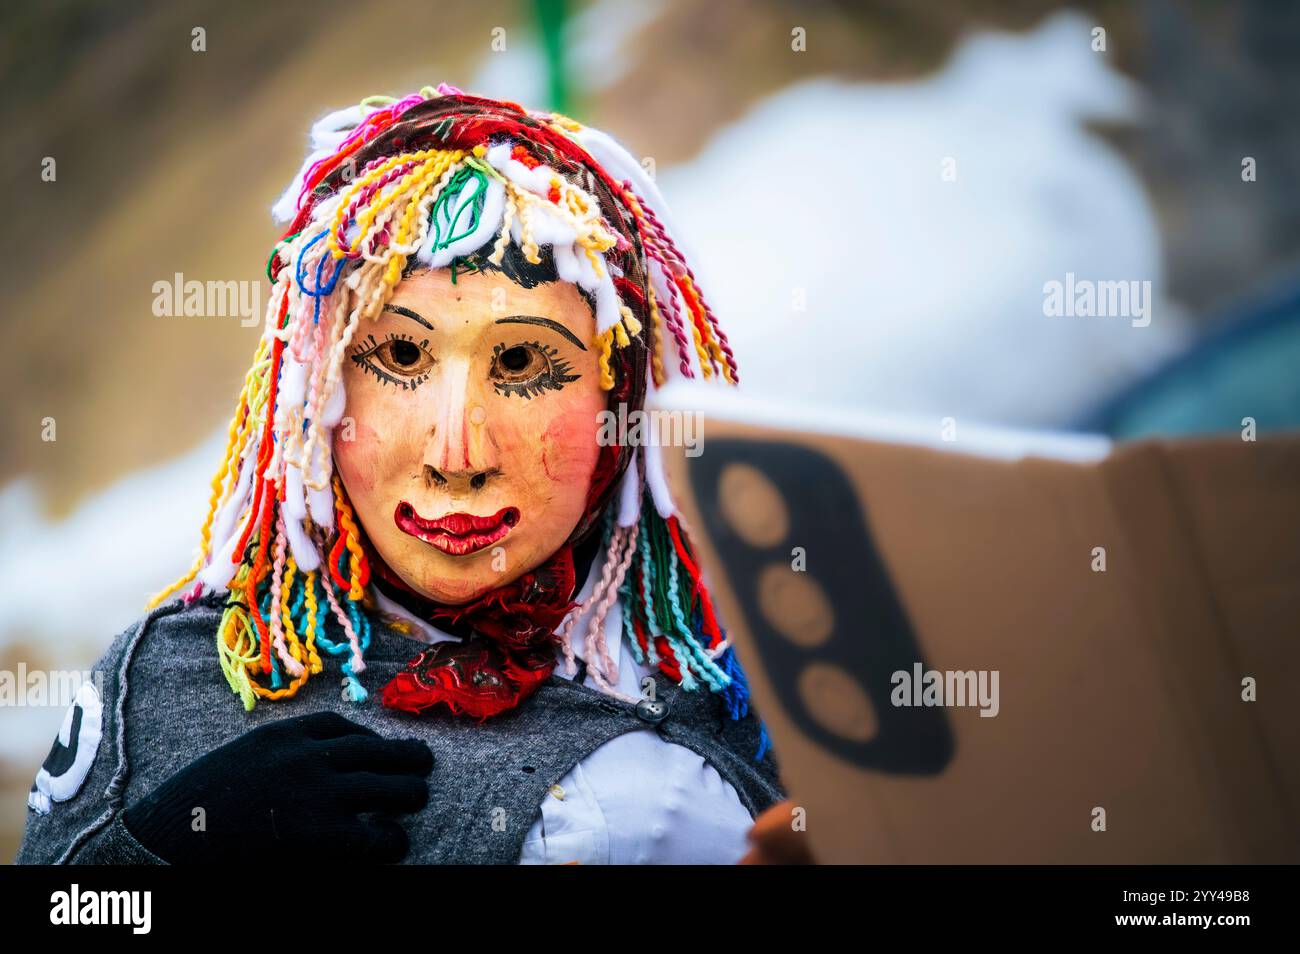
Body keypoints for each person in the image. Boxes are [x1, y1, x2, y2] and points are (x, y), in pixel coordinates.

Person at [16, 83, 784, 865]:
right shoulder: (164, 693)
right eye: (401, 356)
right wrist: (156, 854)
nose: (457, 455)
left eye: (521, 361)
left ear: (620, 397)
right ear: (312, 389)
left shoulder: (771, 692)